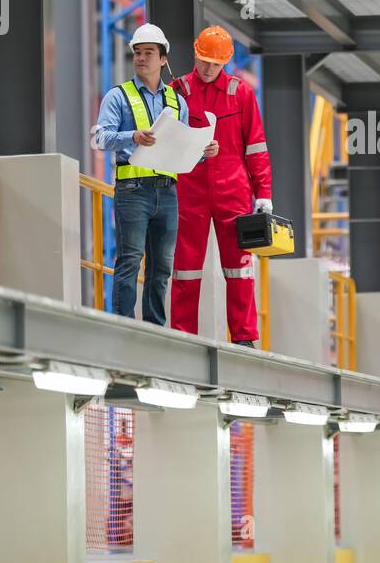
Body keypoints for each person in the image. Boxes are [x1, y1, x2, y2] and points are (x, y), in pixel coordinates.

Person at [89, 24, 206, 324]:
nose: (141, 58)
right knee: (129, 260)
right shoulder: (118, 96)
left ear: (163, 59)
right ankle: (124, 326)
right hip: (133, 190)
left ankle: (155, 328)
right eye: (137, 53)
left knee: (162, 267)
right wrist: (132, 137)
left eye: (148, 53)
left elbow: (181, 150)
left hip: (167, 192)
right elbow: (99, 138)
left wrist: (203, 150)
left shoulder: (177, 102)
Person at [170, 25, 272, 346]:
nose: (208, 68)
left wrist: (264, 193)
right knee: (186, 267)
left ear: (225, 62)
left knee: (239, 268)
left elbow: (255, 146)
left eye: (214, 64)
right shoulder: (179, 91)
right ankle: (182, 334)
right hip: (189, 190)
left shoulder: (240, 93)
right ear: (195, 54)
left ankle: (244, 336)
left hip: (233, 191)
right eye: (203, 61)